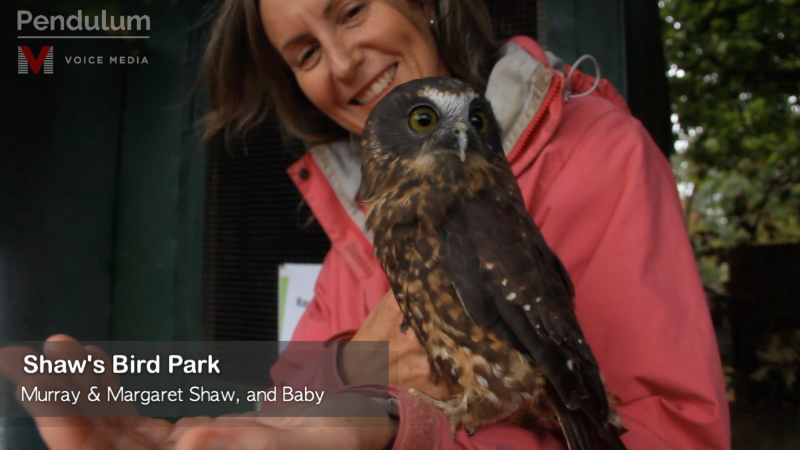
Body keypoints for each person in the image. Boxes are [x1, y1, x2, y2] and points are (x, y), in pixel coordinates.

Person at [0, 0, 730, 449]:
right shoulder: (357, 220)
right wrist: (354, 371)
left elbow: (673, 431)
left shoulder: (592, 154)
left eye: (351, 10)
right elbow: (287, 409)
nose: (345, 62)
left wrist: (399, 431)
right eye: (307, 53)